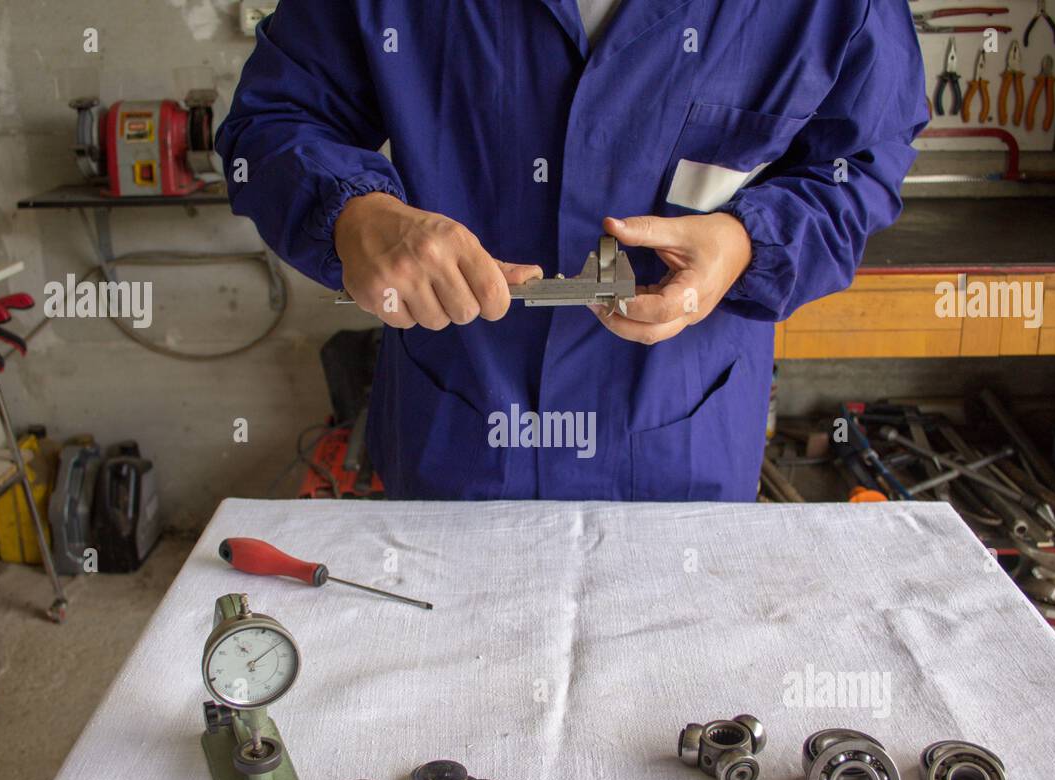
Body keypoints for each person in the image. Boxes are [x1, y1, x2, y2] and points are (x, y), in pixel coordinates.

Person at [217, 0, 928, 501]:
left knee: (675, 702)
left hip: (682, 457)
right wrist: (357, 215)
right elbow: (276, 119)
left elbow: (859, 164)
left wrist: (746, 240)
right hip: (461, 439)